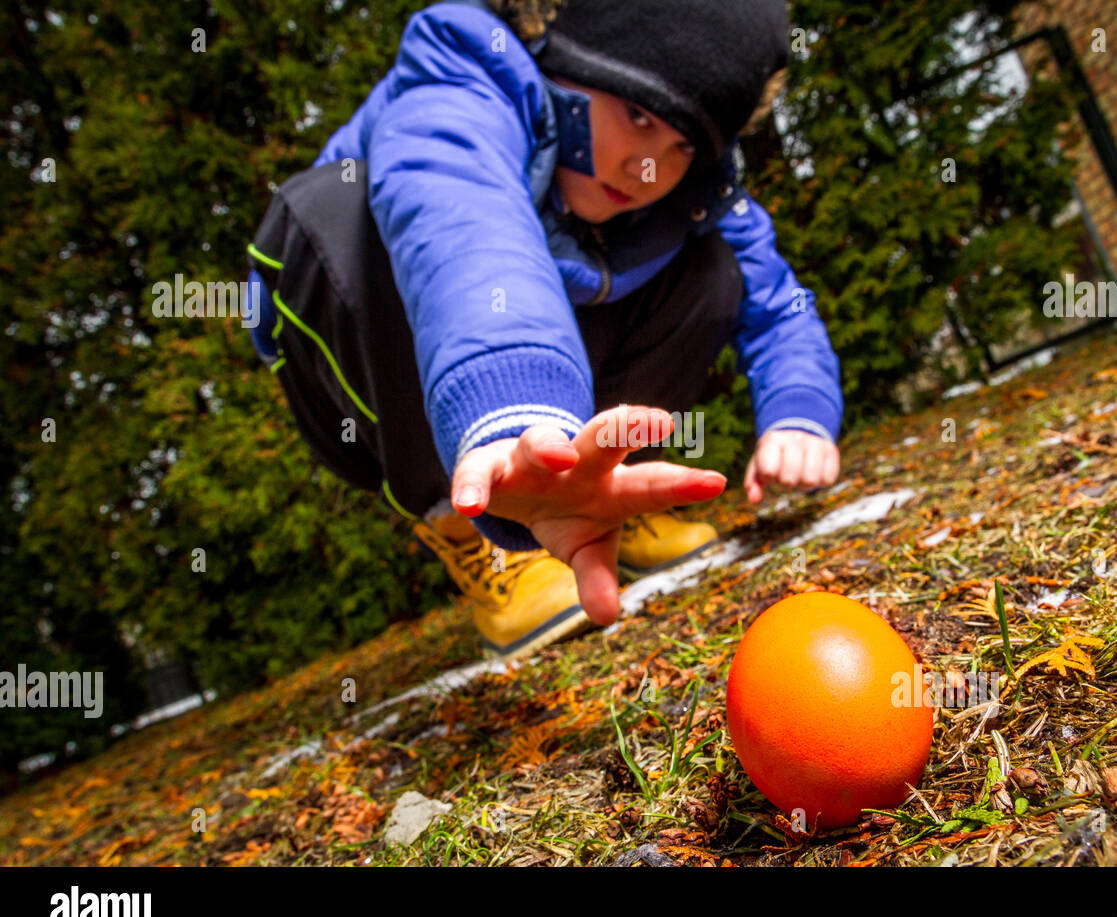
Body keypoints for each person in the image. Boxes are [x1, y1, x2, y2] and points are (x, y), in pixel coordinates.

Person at [244, 0, 844, 661]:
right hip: (369, 356)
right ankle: (476, 522)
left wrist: (799, 413)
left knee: (713, 265)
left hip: (542, 371)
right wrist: (510, 417)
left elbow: (776, 299)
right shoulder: (466, 73)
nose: (645, 167)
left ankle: (598, 492)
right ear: (558, 53)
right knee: (339, 207)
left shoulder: (692, 187)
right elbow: (462, 223)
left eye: (682, 144)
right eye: (636, 115)